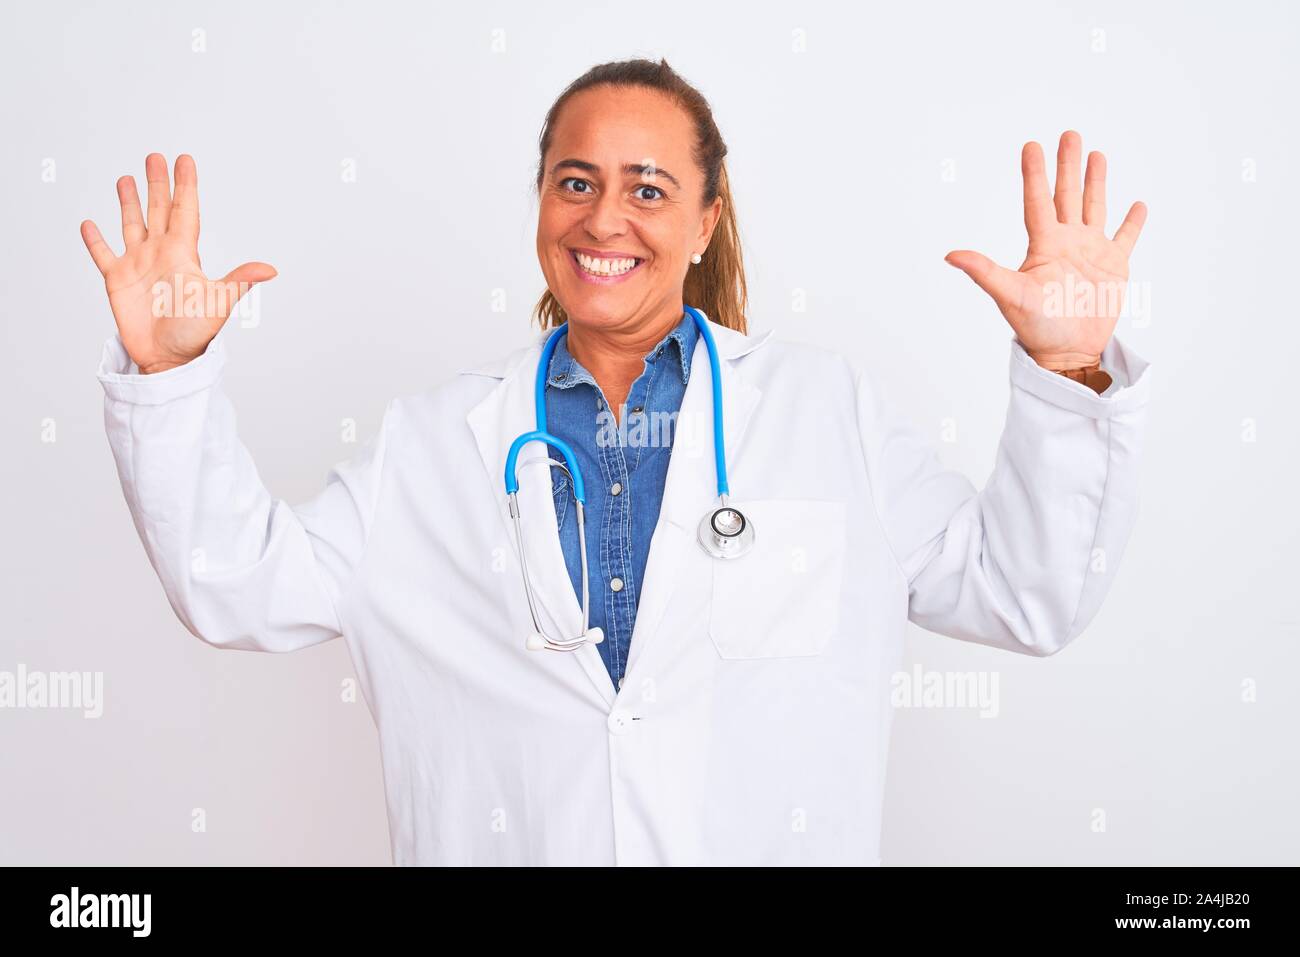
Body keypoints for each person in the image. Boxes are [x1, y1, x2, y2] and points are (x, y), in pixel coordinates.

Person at [81, 58, 1150, 865]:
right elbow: (238, 586)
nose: (605, 218)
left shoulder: (829, 414)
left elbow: (1024, 595)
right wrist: (170, 376)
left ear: (703, 220)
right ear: (541, 204)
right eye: (574, 181)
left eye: (647, 190)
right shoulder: (431, 445)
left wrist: (1066, 369)